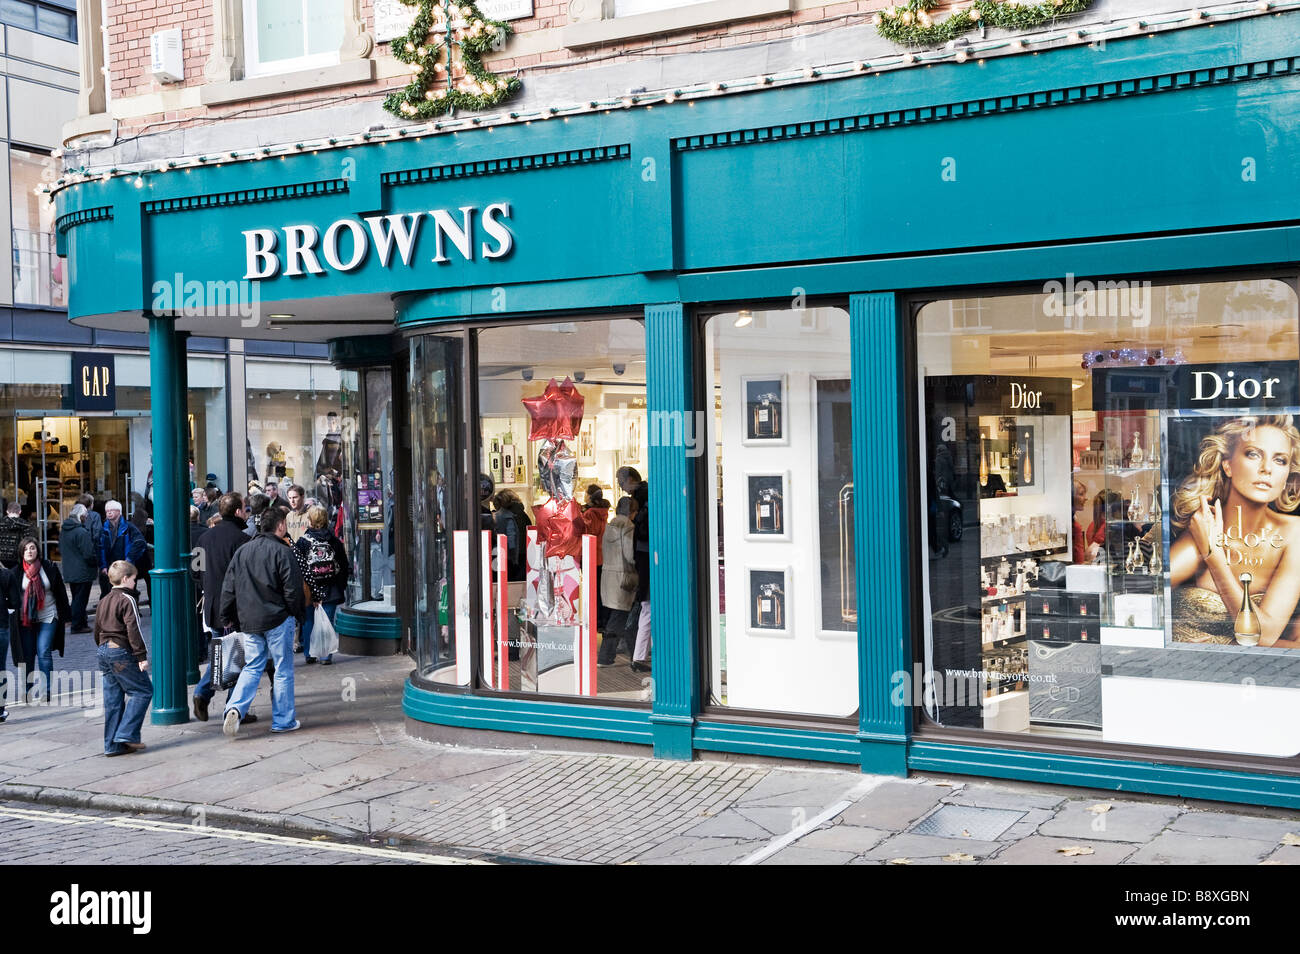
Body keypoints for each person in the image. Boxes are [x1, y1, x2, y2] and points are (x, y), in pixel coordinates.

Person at [1170, 415, 1300, 648]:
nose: (1267, 469)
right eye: (1253, 454)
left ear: (1287, 474)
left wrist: (1214, 555)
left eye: (1280, 460)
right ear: (1227, 464)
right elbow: (1139, 597)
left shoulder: (1294, 533)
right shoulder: (1201, 530)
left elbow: (1264, 636)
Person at [219, 507, 305, 736]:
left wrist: (226, 614)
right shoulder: (283, 552)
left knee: (252, 666)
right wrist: (297, 614)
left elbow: (229, 586)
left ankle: (235, 706)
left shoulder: (243, 551)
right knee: (282, 669)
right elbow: (293, 589)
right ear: (280, 526)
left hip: (249, 620)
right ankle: (283, 721)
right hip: (278, 618)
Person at [192, 493, 250, 722]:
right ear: (237, 512)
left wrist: (208, 585)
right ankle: (232, 708)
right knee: (238, 657)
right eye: (245, 508)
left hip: (212, 605)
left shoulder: (204, 539)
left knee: (221, 652)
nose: (246, 512)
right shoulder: (243, 541)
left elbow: (195, 571)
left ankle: (204, 693)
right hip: (235, 608)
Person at [94, 560, 151, 757]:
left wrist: (103, 649)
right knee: (142, 691)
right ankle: (126, 734)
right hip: (120, 652)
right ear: (125, 579)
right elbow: (133, 630)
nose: (135, 583)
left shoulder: (103, 600)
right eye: (134, 579)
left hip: (103, 651)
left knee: (113, 700)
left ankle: (112, 745)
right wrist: (141, 657)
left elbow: (97, 630)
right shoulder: (128, 599)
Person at [11, 537, 70, 702]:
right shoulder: (15, 573)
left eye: (32, 548)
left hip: (48, 615)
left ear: (38, 550)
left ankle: (46, 691)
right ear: (21, 553)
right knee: (28, 655)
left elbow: (60, 593)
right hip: (25, 620)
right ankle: (28, 690)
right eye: (26, 549)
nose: (29, 551)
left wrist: (66, 616)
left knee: (43, 651)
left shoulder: (50, 567)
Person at [294, 505, 349, 665]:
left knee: (308, 621)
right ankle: (325, 656)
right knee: (327, 621)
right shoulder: (334, 541)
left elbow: (297, 566)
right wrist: (341, 584)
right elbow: (344, 565)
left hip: (309, 589)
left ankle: (309, 653)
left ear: (310, 521)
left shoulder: (303, 542)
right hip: (331, 588)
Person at [616, 466, 651, 672]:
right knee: (648, 608)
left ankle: (639, 656)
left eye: (621, 483)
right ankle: (640, 655)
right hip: (645, 559)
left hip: (645, 559)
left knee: (647, 607)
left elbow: (644, 533)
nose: (621, 487)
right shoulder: (646, 495)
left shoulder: (643, 498)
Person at [597, 497, 638, 667]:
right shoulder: (628, 527)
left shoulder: (610, 525)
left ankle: (636, 653)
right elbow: (630, 555)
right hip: (624, 577)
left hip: (608, 576)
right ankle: (606, 656)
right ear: (632, 512)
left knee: (623, 615)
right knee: (620, 617)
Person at [61, 503, 97, 634]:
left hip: (71, 570)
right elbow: (88, 553)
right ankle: (77, 625)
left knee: (77, 597)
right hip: (83, 571)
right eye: (85, 516)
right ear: (81, 516)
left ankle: (80, 623)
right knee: (80, 600)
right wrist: (95, 563)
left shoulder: (65, 531)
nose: (86, 518)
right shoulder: (81, 532)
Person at [98, 500, 146, 599]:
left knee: (128, 594)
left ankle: (130, 613)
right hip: (110, 568)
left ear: (119, 512)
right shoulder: (103, 529)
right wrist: (103, 566)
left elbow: (140, 542)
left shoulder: (129, 527)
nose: (109, 512)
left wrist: (129, 560)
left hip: (125, 567)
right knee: (109, 595)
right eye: (107, 511)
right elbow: (100, 548)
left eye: (112, 510)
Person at [490, 489, 531, 582]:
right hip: (523, 554)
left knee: (505, 581)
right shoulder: (522, 515)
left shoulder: (501, 516)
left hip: (507, 555)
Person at [0, 502, 31, 569]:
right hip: (17, 557)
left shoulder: (1, 522)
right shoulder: (24, 524)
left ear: (7, 511)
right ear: (20, 512)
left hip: (1, 557)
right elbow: (29, 542)